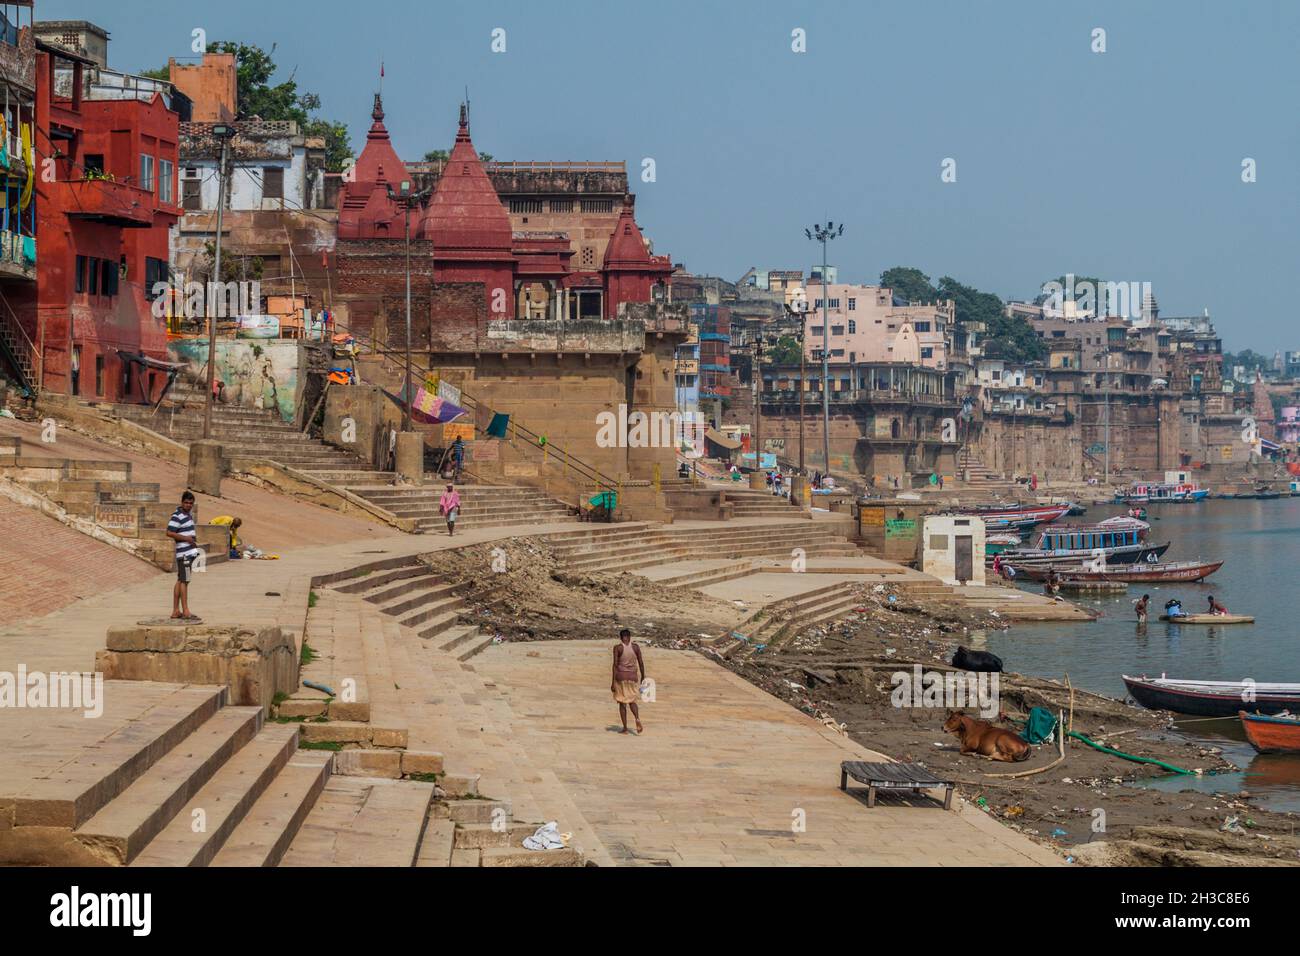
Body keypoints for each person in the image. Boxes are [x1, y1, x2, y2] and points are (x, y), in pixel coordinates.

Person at [166, 490, 202, 620]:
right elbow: (169, 532)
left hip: (189, 551)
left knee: (181, 580)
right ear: (182, 502)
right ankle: (186, 611)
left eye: (190, 503)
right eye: (186, 503)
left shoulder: (188, 515)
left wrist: (192, 543)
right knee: (185, 581)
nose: (188, 505)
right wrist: (186, 539)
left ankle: (176, 611)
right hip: (184, 553)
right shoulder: (177, 515)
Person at [610, 627, 645, 735]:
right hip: (633, 677)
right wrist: (643, 675)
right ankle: (637, 718)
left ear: (621, 638)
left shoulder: (618, 648)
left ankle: (625, 728)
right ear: (629, 637)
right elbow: (641, 662)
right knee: (632, 700)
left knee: (622, 703)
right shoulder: (635, 647)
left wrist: (612, 682)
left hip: (621, 677)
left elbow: (615, 665)